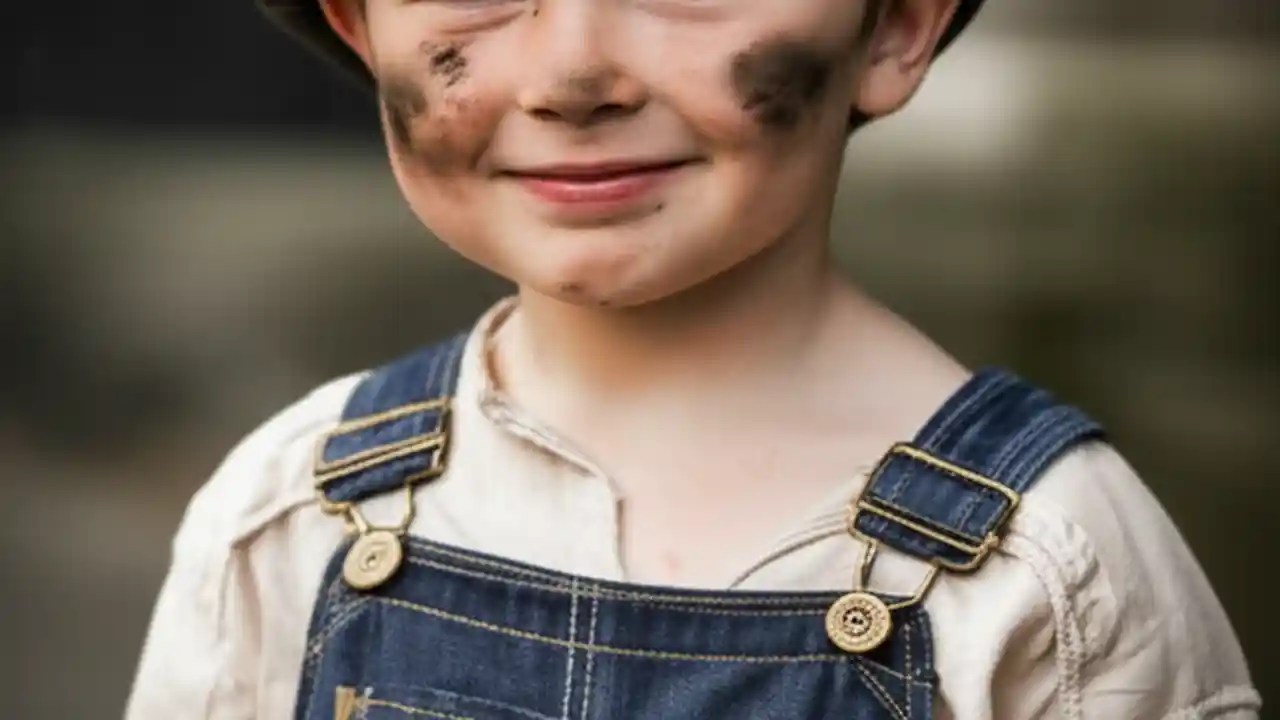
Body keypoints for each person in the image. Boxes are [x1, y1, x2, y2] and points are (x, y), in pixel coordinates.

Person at [125, 0, 1261, 717]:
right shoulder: (290, 514)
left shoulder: (1049, 570)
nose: (572, 75)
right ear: (356, 23)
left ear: (898, 26)